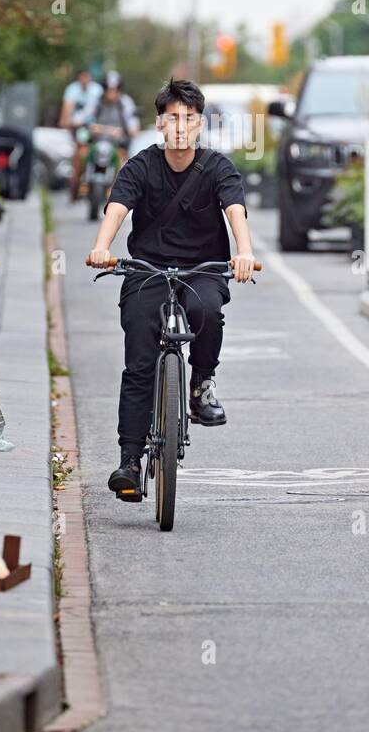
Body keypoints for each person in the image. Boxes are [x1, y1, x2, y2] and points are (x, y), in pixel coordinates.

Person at [87, 77, 256, 502]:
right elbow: (118, 207)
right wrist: (102, 247)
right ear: (159, 124)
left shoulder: (218, 167)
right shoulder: (141, 166)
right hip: (146, 268)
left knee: (207, 310)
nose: (181, 126)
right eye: (173, 118)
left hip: (203, 268)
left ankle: (200, 385)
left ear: (201, 125)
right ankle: (129, 460)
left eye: (190, 118)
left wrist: (245, 253)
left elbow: (235, 210)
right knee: (140, 359)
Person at [59, 67, 103, 200]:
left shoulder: (97, 90)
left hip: (95, 127)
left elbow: (100, 109)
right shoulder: (72, 89)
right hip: (79, 128)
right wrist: (65, 120)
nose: (84, 80)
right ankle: (76, 178)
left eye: (87, 77)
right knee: (78, 152)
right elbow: (67, 107)